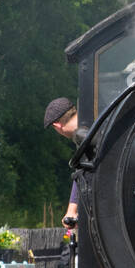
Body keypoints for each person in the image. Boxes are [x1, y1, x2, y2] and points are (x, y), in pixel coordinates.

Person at [43, 97, 80, 228]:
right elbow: (81, 171)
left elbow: (81, 172)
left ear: (56, 125)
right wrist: (72, 210)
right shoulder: (90, 130)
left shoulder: (84, 137)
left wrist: (71, 212)